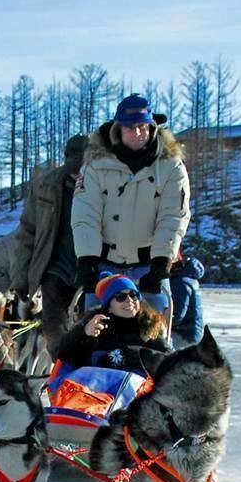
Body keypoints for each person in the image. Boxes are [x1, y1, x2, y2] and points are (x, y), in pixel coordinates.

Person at [71, 94, 190, 319]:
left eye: (142, 127)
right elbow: (85, 215)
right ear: (118, 128)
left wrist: (162, 263)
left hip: (148, 265)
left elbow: (173, 217)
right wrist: (87, 261)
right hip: (105, 265)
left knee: (155, 334)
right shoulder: (95, 166)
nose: (137, 133)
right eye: (130, 128)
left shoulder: (171, 167)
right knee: (93, 334)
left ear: (152, 126)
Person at [10, 134, 89, 358]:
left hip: (90, 270)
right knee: (54, 331)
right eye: (73, 170)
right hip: (53, 268)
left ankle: (86, 384)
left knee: (89, 332)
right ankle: (61, 378)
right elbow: (27, 233)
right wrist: (21, 279)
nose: (76, 175)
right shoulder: (45, 186)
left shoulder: (102, 183)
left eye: (81, 170)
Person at [57, 272, 168, 372]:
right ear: (109, 306)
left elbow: (167, 358)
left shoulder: (149, 325)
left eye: (133, 295)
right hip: (98, 389)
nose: (129, 300)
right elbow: (63, 354)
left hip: (140, 389)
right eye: (121, 297)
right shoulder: (96, 326)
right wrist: (84, 332)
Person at [169, 252, 205, 348]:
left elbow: (176, 316)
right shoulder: (189, 279)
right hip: (193, 331)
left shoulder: (180, 283)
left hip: (184, 334)